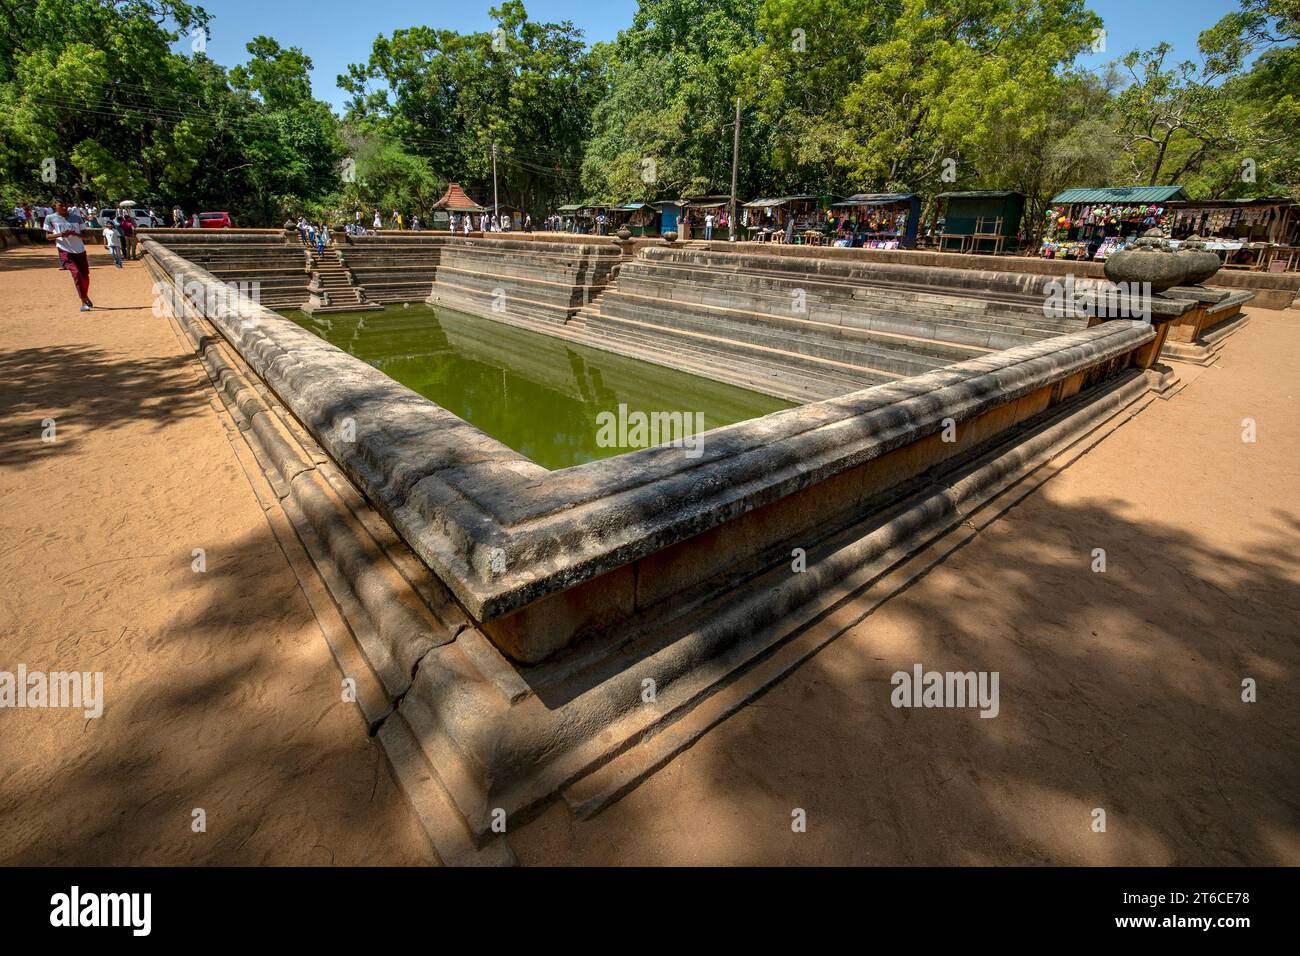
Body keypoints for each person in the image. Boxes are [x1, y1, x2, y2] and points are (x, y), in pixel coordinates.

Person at [44, 199, 93, 311]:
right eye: (61, 206)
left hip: (79, 250)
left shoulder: (76, 218)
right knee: (76, 274)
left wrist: (74, 234)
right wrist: (60, 234)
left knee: (85, 276)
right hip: (64, 250)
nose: (64, 208)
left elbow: (85, 236)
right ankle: (83, 301)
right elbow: (47, 236)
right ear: (55, 206)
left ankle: (85, 295)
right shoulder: (50, 218)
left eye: (66, 205)